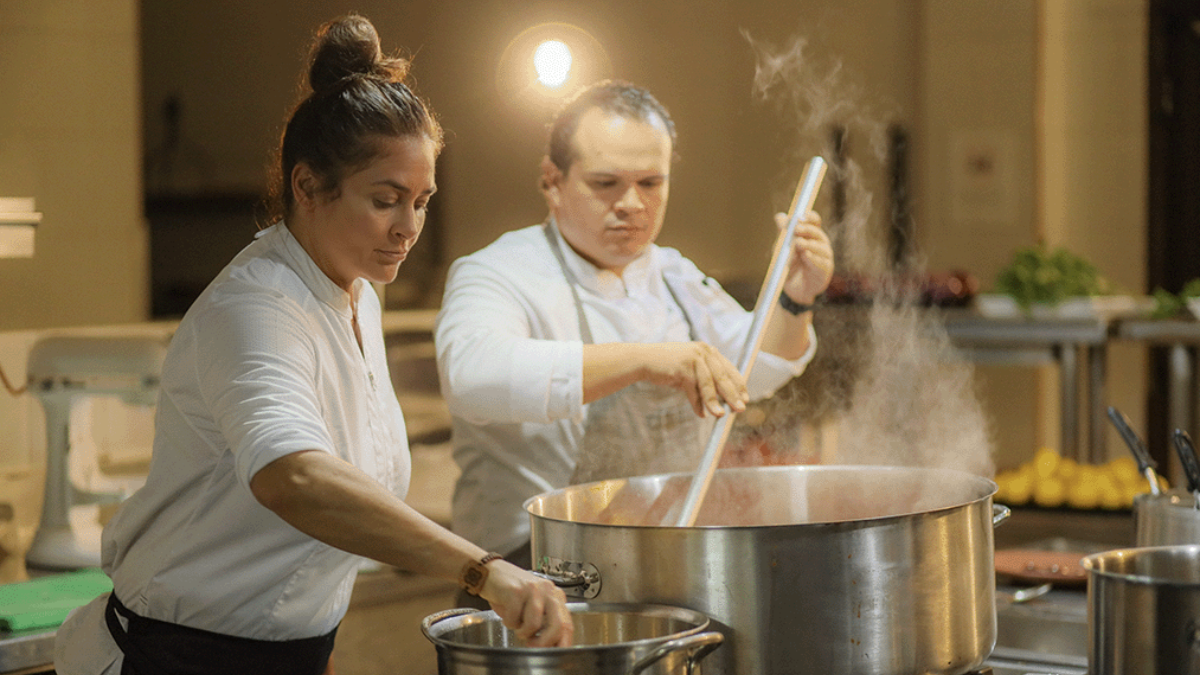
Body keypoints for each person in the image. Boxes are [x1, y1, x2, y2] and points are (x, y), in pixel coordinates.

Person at [54, 14, 571, 675]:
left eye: (421, 201)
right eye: (386, 200)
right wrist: (481, 568)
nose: (408, 227)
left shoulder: (360, 295)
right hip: (175, 655)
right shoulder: (254, 306)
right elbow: (293, 478)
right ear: (307, 186)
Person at [434, 80, 834, 607]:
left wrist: (795, 300)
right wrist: (645, 359)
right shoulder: (498, 272)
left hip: (666, 556)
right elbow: (471, 378)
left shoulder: (673, 275)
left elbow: (754, 369)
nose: (631, 203)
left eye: (651, 183)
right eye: (606, 183)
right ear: (552, 181)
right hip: (531, 569)